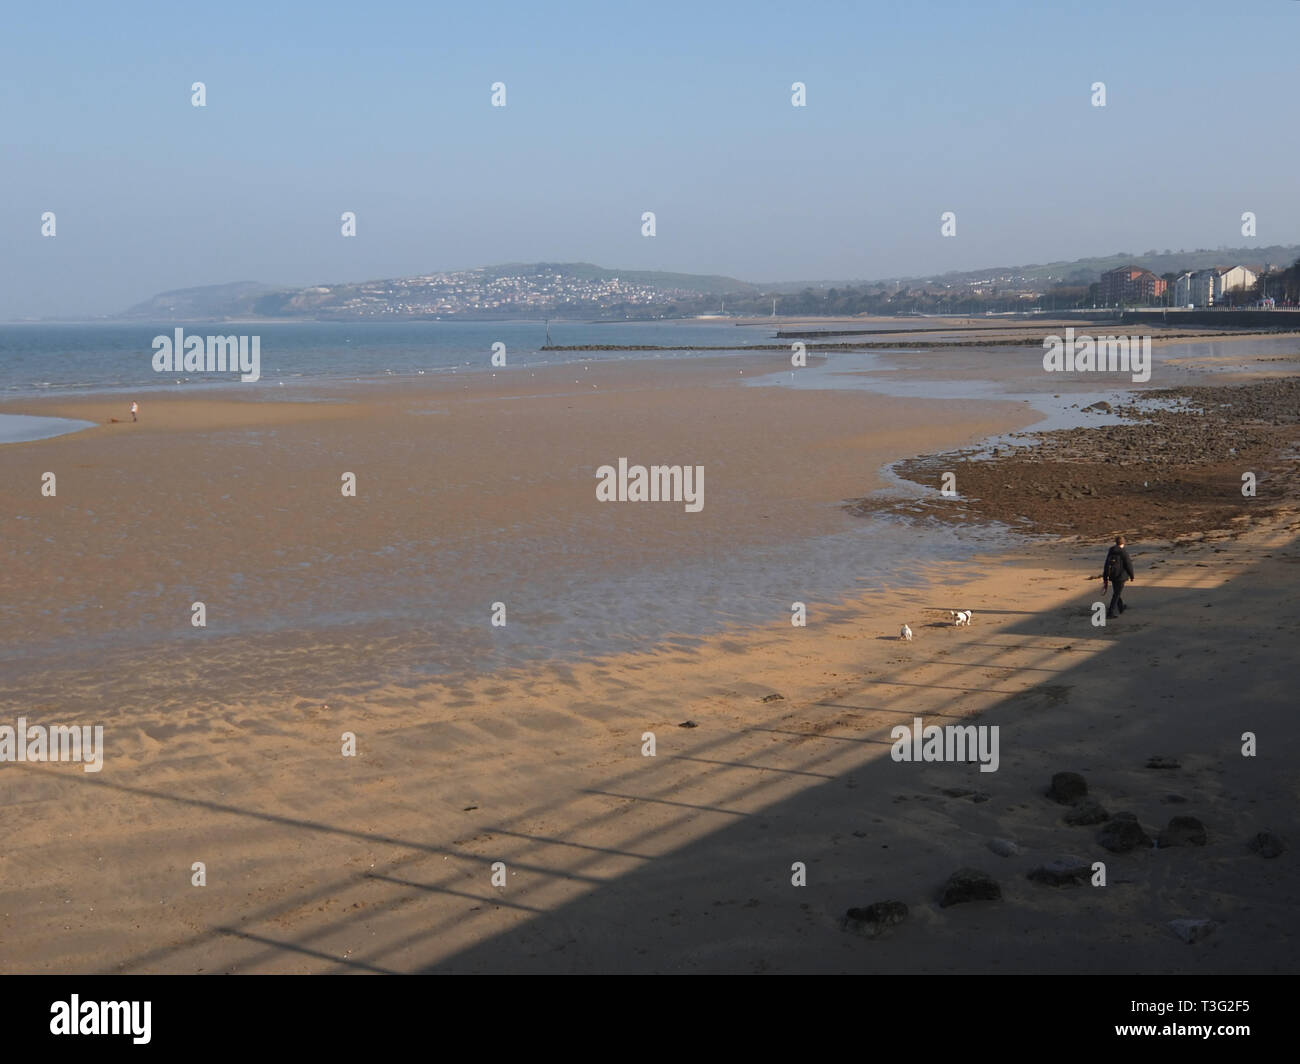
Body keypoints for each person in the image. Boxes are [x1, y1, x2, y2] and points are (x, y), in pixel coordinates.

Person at [1101, 535, 1134, 619]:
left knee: (1117, 592)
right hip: (1121, 576)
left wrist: (1105, 577)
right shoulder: (1123, 552)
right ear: (1123, 543)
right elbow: (1128, 565)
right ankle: (1110, 612)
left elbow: (1106, 564)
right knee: (1116, 594)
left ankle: (1121, 607)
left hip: (1112, 575)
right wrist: (1132, 575)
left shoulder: (1111, 551)